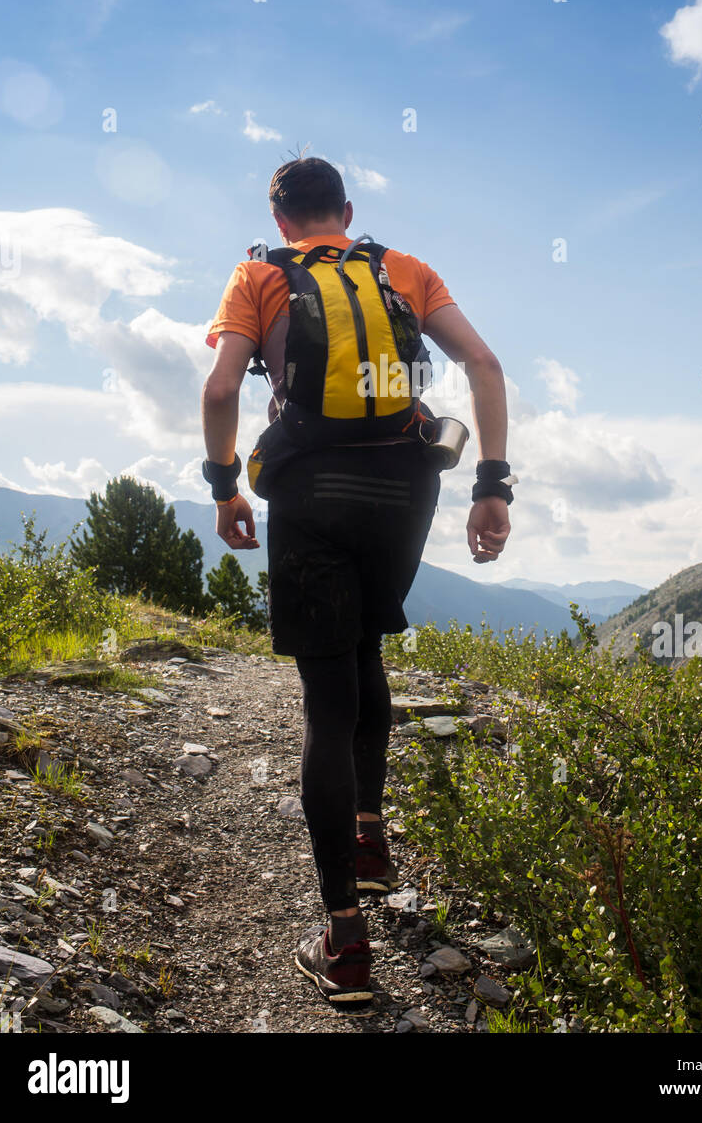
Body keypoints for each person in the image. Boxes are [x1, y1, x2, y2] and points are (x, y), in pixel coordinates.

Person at [201, 156, 512, 1005]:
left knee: (325, 703)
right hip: (406, 487)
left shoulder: (258, 275)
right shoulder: (403, 271)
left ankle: (345, 946)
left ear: (280, 215)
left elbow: (223, 384)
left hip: (310, 491)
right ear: (345, 209)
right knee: (369, 643)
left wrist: (225, 485)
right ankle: (370, 839)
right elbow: (484, 366)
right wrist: (491, 487)